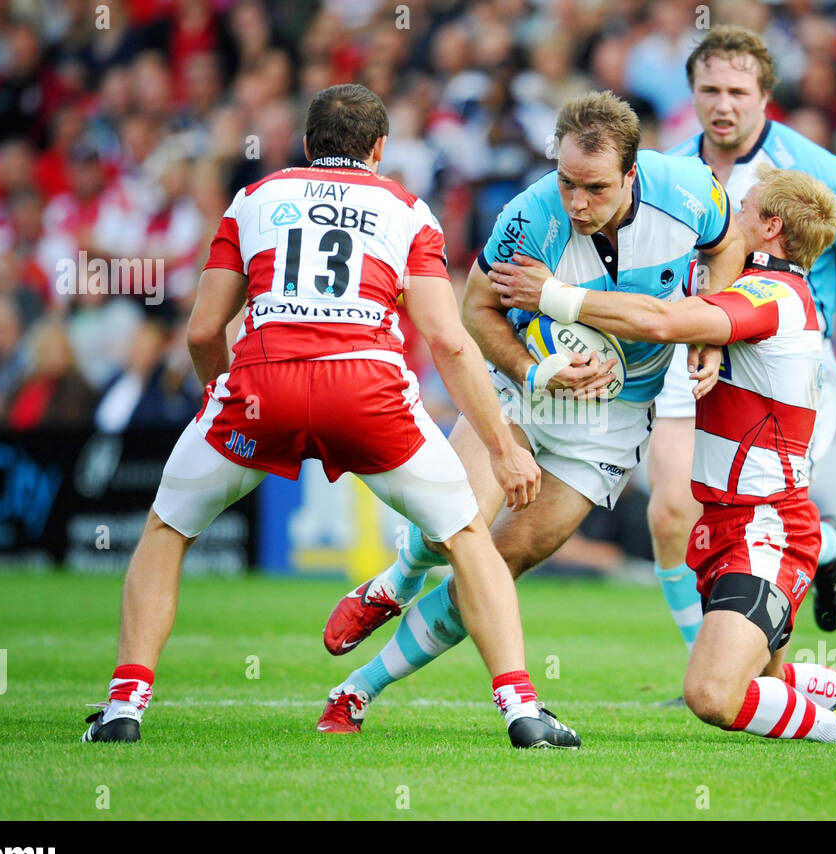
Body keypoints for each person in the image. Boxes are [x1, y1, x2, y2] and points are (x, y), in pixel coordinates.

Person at [82, 83, 579, 750]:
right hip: (365, 391)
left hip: (263, 388)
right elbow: (450, 339)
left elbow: (203, 331)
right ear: (379, 149)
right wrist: (503, 447)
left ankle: (124, 708)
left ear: (307, 145)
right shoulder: (407, 209)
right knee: (466, 538)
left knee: (166, 529)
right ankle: (521, 711)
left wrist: (221, 405)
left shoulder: (254, 199)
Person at [495, 165, 836, 744]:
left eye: (742, 207)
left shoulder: (771, 294)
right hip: (728, 525)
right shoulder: (755, 288)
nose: (726, 215)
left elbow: (662, 320)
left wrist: (550, 295)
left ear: (770, 227)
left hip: (766, 527)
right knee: (763, 676)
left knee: (713, 694)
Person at [317, 90, 745, 733]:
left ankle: (357, 690)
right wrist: (531, 368)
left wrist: (711, 333)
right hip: (522, 394)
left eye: (595, 188)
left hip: (614, 420)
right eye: (567, 180)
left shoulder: (689, 192)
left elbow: (728, 244)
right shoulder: (528, 217)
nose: (576, 201)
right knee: (451, 530)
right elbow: (475, 311)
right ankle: (396, 582)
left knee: (500, 561)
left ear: (633, 173)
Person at [648, 25, 836, 662]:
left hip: (784, 369)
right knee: (670, 512)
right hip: (697, 353)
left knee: (759, 524)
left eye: (738, 91)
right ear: (691, 92)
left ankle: (809, 575)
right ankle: (711, 661)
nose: (724, 104)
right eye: (710, 89)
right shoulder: (672, 170)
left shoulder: (811, 167)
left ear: (765, 96)